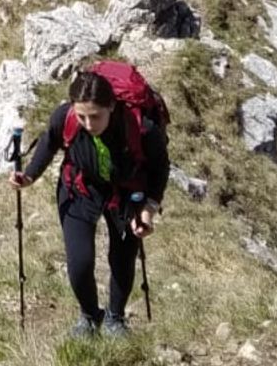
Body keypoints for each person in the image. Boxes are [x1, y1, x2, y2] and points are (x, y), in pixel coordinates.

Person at [11, 68, 169, 337]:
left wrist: (148, 209)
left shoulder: (142, 128)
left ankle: (115, 319)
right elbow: (49, 143)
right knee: (79, 262)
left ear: (111, 106)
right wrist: (28, 176)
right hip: (80, 187)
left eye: (95, 116)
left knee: (122, 257)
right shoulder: (66, 117)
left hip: (127, 192)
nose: (87, 123)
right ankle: (89, 315)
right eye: (81, 115)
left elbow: (160, 167)